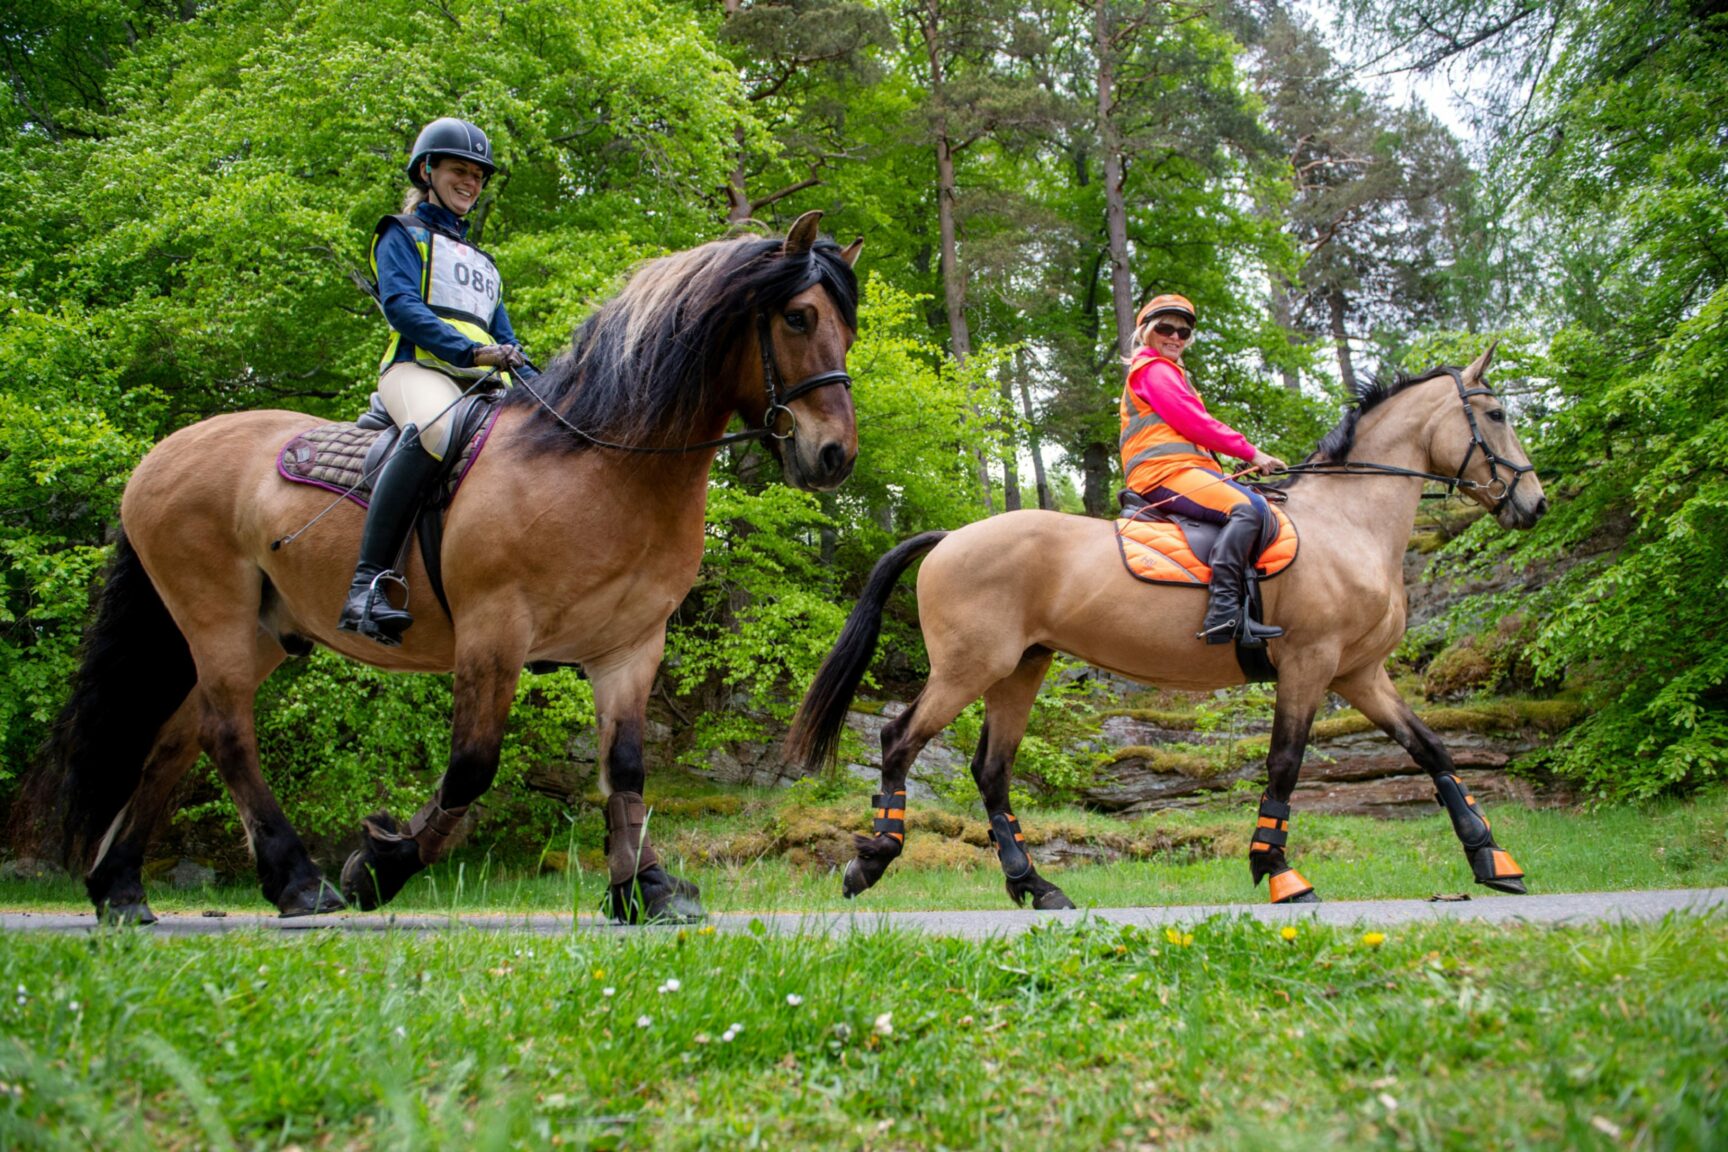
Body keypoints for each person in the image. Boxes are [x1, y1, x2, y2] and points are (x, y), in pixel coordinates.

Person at [338, 117, 534, 646]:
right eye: (458, 171)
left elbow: (506, 337)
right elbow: (402, 307)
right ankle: (367, 584)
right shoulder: (400, 234)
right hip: (418, 371)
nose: (470, 182)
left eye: (478, 175)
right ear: (428, 171)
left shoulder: (484, 263)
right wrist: (471, 352)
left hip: (482, 379)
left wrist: (549, 386)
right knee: (435, 432)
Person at [1119, 293, 1288, 644]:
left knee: (1252, 502)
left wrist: (1233, 463)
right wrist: (1252, 452)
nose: (1175, 337)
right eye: (1166, 328)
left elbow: (1189, 433)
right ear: (1147, 332)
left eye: (1183, 332)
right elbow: (1195, 422)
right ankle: (1224, 614)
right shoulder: (1154, 370)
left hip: (1179, 469)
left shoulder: (1172, 374)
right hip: (1163, 472)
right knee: (1247, 510)